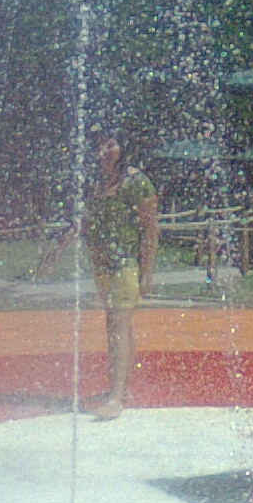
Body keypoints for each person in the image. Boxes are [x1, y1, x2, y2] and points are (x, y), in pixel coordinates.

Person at [85, 133, 158, 419]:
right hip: (102, 263)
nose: (105, 150)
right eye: (101, 144)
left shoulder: (136, 182)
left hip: (126, 263)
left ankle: (115, 398)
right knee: (117, 325)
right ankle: (122, 388)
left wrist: (147, 271)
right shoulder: (98, 183)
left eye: (111, 144)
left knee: (118, 324)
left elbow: (150, 229)